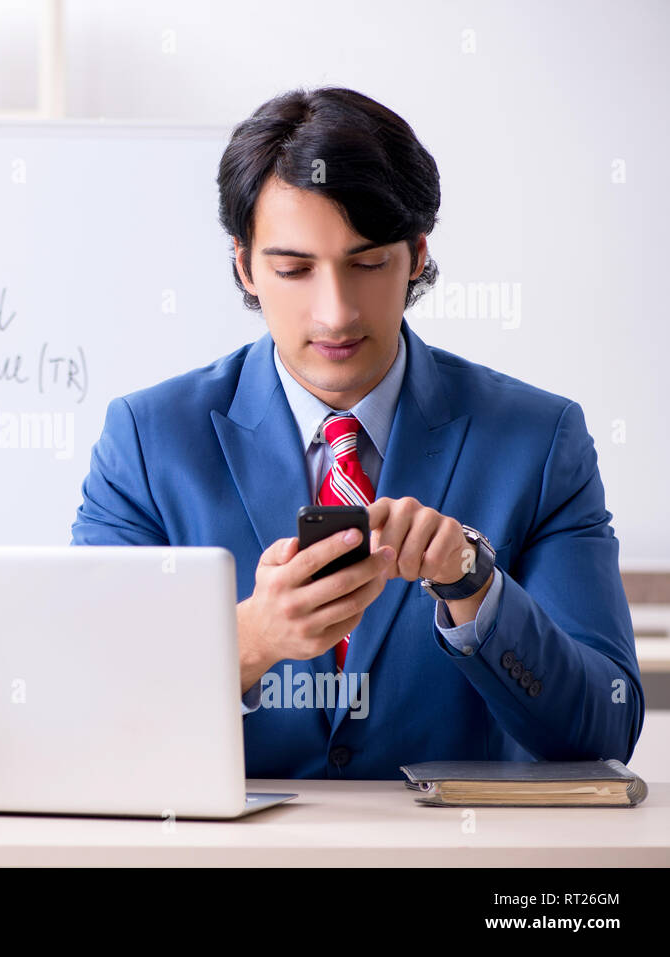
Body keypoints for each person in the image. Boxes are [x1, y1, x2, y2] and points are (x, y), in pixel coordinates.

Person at [70, 87, 643, 779]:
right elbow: (85, 710)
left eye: (368, 263)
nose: (336, 313)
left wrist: (473, 585)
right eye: (294, 269)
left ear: (417, 256)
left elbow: (604, 729)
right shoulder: (146, 442)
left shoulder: (540, 443)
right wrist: (250, 640)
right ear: (245, 265)